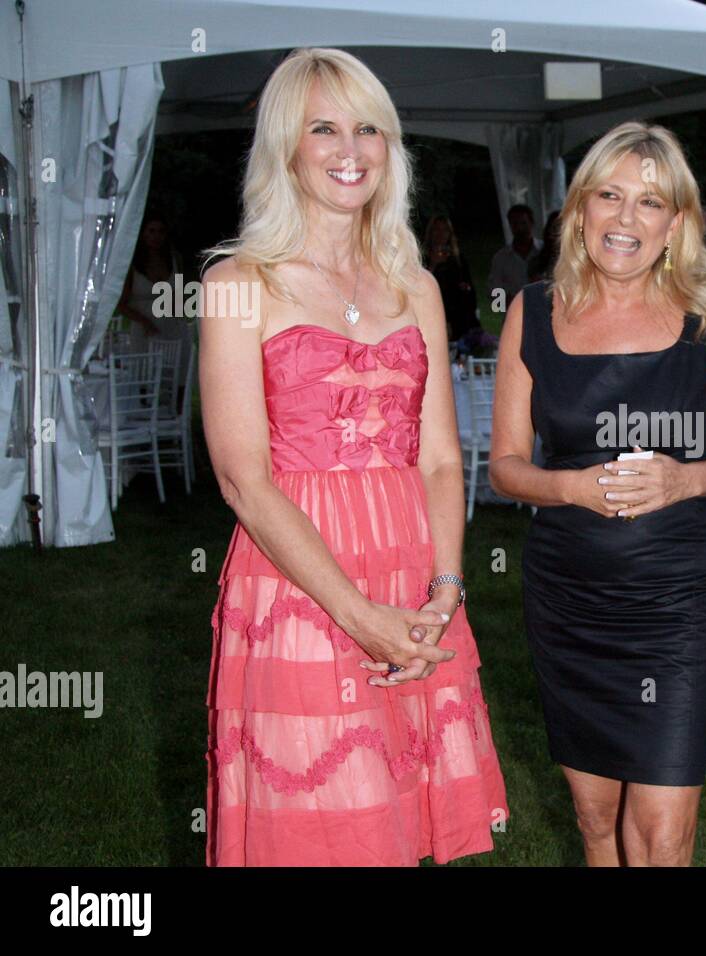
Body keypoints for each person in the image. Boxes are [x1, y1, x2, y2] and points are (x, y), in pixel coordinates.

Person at [199, 47, 507, 866]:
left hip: (415, 576)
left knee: (399, 823)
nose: (350, 149)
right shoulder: (238, 281)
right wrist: (358, 615)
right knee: (321, 823)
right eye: (324, 128)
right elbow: (242, 478)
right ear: (285, 149)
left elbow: (443, 458)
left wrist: (444, 590)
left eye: (369, 128)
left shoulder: (417, 284)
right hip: (299, 579)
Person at [489, 120, 706, 867]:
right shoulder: (532, 312)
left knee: (662, 832)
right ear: (580, 209)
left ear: (676, 222)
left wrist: (685, 478)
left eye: (649, 202)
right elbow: (505, 466)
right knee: (593, 817)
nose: (625, 218)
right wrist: (570, 487)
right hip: (571, 599)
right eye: (609, 195)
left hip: (683, 601)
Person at [115, 211, 190, 352]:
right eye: (152, 231)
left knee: (176, 369)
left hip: (172, 327)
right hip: (144, 329)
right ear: (144, 233)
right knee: (143, 370)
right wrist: (144, 321)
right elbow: (121, 305)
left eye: (161, 232)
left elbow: (180, 296)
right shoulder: (133, 265)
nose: (156, 236)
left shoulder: (174, 260)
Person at [422, 214, 479, 341]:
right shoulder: (422, 258)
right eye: (436, 230)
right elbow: (419, 286)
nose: (440, 234)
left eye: (444, 230)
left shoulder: (458, 259)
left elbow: (469, 287)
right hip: (432, 310)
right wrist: (433, 264)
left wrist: (465, 287)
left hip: (457, 312)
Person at [487, 203, 541, 305]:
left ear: (532, 223)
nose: (520, 228)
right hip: (515, 315)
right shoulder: (501, 258)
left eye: (524, 223)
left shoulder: (544, 252)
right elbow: (494, 293)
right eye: (515, 224)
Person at [528, 210, 563, 283]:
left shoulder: (579, 260)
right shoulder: (537, 262)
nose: (557, 232)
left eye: (560, 228)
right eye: (554, 228)